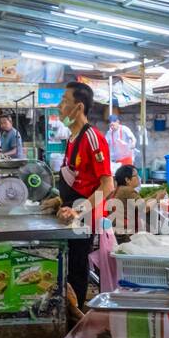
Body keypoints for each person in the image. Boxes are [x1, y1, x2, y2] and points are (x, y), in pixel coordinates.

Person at [55, 81, 113, 315]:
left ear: (78, 107)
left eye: (64, 102)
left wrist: (78, 211)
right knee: (68, 268)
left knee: (77, 270)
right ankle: (68, 314)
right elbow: (77, 179)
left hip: (84, 217)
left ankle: (76, 321)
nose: (59, 107)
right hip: (71, 215)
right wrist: (59, 202)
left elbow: (107, 185)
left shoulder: (92, 138)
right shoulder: (72, 138)